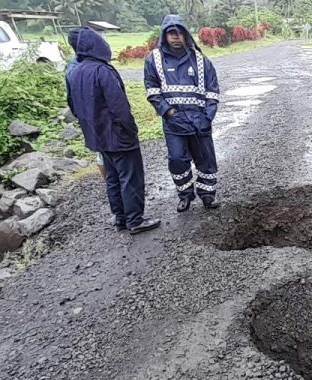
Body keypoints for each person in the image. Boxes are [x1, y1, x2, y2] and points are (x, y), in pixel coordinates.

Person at [66, 28, 161, 234]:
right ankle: (135, 220)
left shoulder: (74, 72)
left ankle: (120, 217)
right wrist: (131, 129)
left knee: (112, 178)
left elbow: (73, 107)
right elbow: (120, 107)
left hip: (96, 136)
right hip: (118, 135)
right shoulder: (103, 71)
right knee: (130, 177)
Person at [144, 14, 221, 212]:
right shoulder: (154, 60)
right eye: (171, 33)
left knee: (206, 159)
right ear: (165, 35)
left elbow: (212, 91)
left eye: (179, 33)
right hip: (174, 123)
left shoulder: (201, 61)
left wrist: (208, 116)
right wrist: (168, 112)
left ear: (185, 35)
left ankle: (207, 196)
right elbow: (152, 90)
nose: (175, 37)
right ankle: (185, 195)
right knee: (177, 159)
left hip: (199, 121)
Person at [65, 28, 108, 181]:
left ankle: (112, 185)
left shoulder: (73, 67)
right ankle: (111, 184)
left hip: (91, 118)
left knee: (102, 153)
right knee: (104, 153)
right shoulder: (80, 68)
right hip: (98, 118)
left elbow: (71, 101)